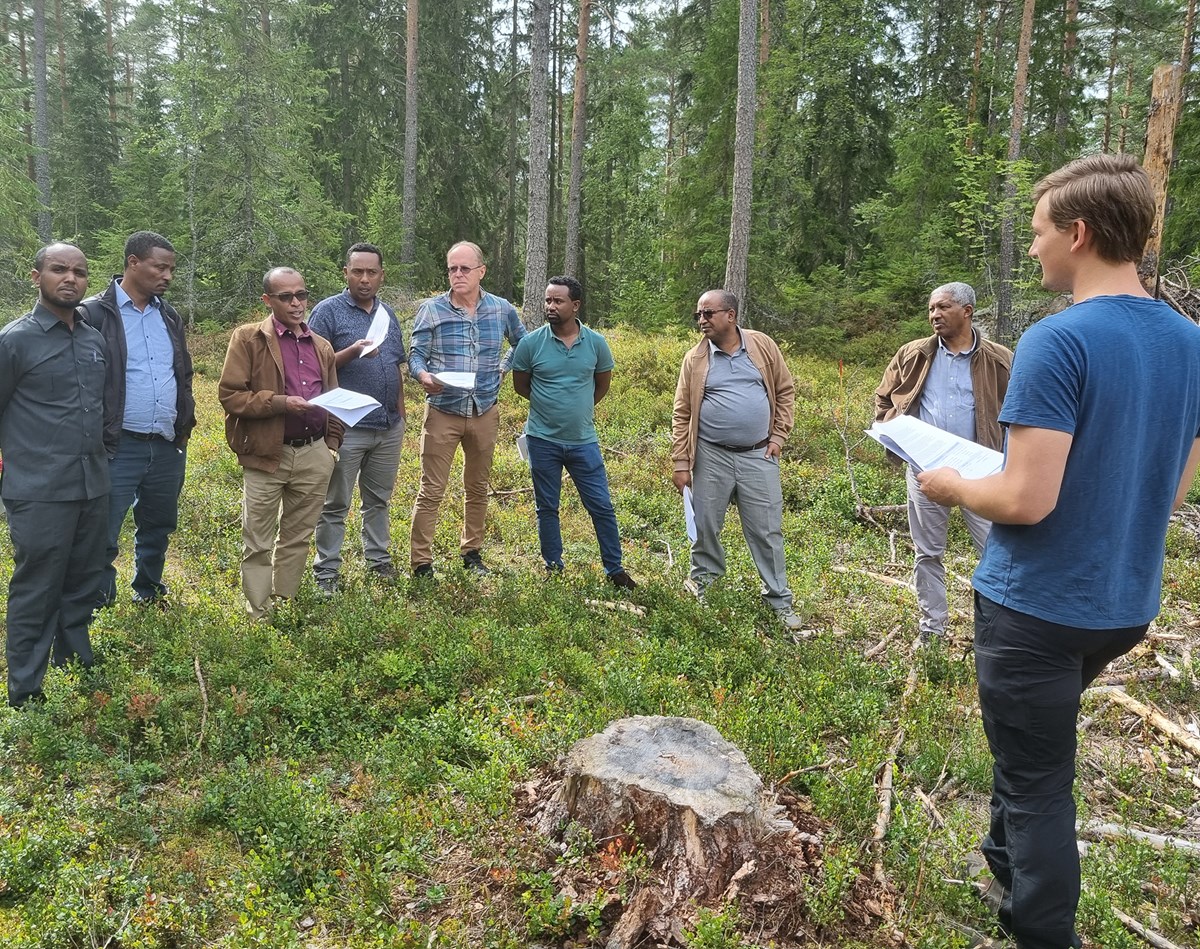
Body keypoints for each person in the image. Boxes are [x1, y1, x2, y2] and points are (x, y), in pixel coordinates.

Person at [919, 154, 1200, 949]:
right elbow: (1172, 489)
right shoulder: (1191, 341)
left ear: (1078, 234)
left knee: (1039, 784)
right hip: (1124, 604)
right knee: (1033, 751)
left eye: (1039, 232)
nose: (1033, 249)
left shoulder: (1058, 339)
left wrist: (951, 484)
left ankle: (1042, 931)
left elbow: (1025, 497)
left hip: (1035, 605)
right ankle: (1002, 857)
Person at [0, 244, 108, 707]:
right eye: (59, 269)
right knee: (37, 587)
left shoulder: (92, 337)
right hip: (40, 490)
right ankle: (26, 690)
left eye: (79, 272)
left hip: (93, 484)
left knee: (84, 580)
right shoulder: (15, 341)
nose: (70, 278)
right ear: (36, 276)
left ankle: (75, 663)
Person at [875, 282, 1011, 644]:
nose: (934, 315)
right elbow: (884, 398)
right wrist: (894, 430)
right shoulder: (913, 354)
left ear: (967, 311)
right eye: (931, 308)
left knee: (995, 551)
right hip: (926, 470)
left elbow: (1017, 412)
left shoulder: (999, 359)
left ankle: (995, 632)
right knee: (927, 552)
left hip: (982, 472)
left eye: (943, 307)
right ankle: (932, 630)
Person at [670, 289, 804, 632]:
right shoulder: (695, 359)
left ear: (731, 315)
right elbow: (682, 412)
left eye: (708, 314)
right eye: (698, 315)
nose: (702, 321)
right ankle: (706, 588)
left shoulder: (762, 346)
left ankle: (779, 600)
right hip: (711, 455)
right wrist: (681, 461)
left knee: (766, 530)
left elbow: (785, 391)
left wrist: (778, 437)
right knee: (706, 526)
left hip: (759, 454)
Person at [218, 268, 343, 619]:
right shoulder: (248, 339)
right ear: (268, 300)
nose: (296, 303)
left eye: (301, 295)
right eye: (286, 297)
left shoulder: (321, 346)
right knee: (257, 539)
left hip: (315, 453)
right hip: (266, 454)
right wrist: (281, 402)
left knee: (297, 536)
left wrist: (331, 445)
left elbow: (333, 399)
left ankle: (285, 603)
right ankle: (259, 612)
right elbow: (230, 395)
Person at [82, 231, 195, 608]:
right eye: (160, 267)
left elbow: (182, 373)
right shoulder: (94, 314)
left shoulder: (169, 315)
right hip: (116, 445)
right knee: (103, 528)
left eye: (172, 269)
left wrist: (184, 423)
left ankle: (148, 590)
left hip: (165, 443)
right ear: (133, 262)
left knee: (159, 524)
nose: (167, 276)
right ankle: (99, 601)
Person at [407, 241, 526, 578]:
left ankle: (472, 553)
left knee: (477, 486)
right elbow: (415, 354)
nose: (457, 274)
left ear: (481, 271)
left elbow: (523, 342)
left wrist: (505, 366)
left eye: (464, 268)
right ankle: (421, 564)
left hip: (484, 410)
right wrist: (422, 375)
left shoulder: (502, 309)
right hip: (443, 410)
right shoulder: (431, 309)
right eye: (452, 269)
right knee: (431, 489)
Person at [511, 276, 637, 588]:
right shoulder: (530, 344)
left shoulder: (595, 343)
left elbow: (601, 384)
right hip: (542, 440)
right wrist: (551, 408)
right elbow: (521, 386)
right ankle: (553, 566)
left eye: (558, 301)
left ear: (575, 305)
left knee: (602, 506)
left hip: (583, 441)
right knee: (547, 507)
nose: (550, 306)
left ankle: (614, 569)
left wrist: (576, 409)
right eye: (548, 300)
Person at [308, 243, 407, 592]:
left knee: (378, 500)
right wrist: (351, 352)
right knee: (335, 502)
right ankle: (327, 573)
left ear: (381, 275)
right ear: (346, 273)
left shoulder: (388, 314)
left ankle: (379, 562)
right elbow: (312, 367)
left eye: (371, 272)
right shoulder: (327, 313)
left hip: (387, 426)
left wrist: (401, 415)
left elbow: (395, 364)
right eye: (357, 271)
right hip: (346, 427)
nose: (364, 279)